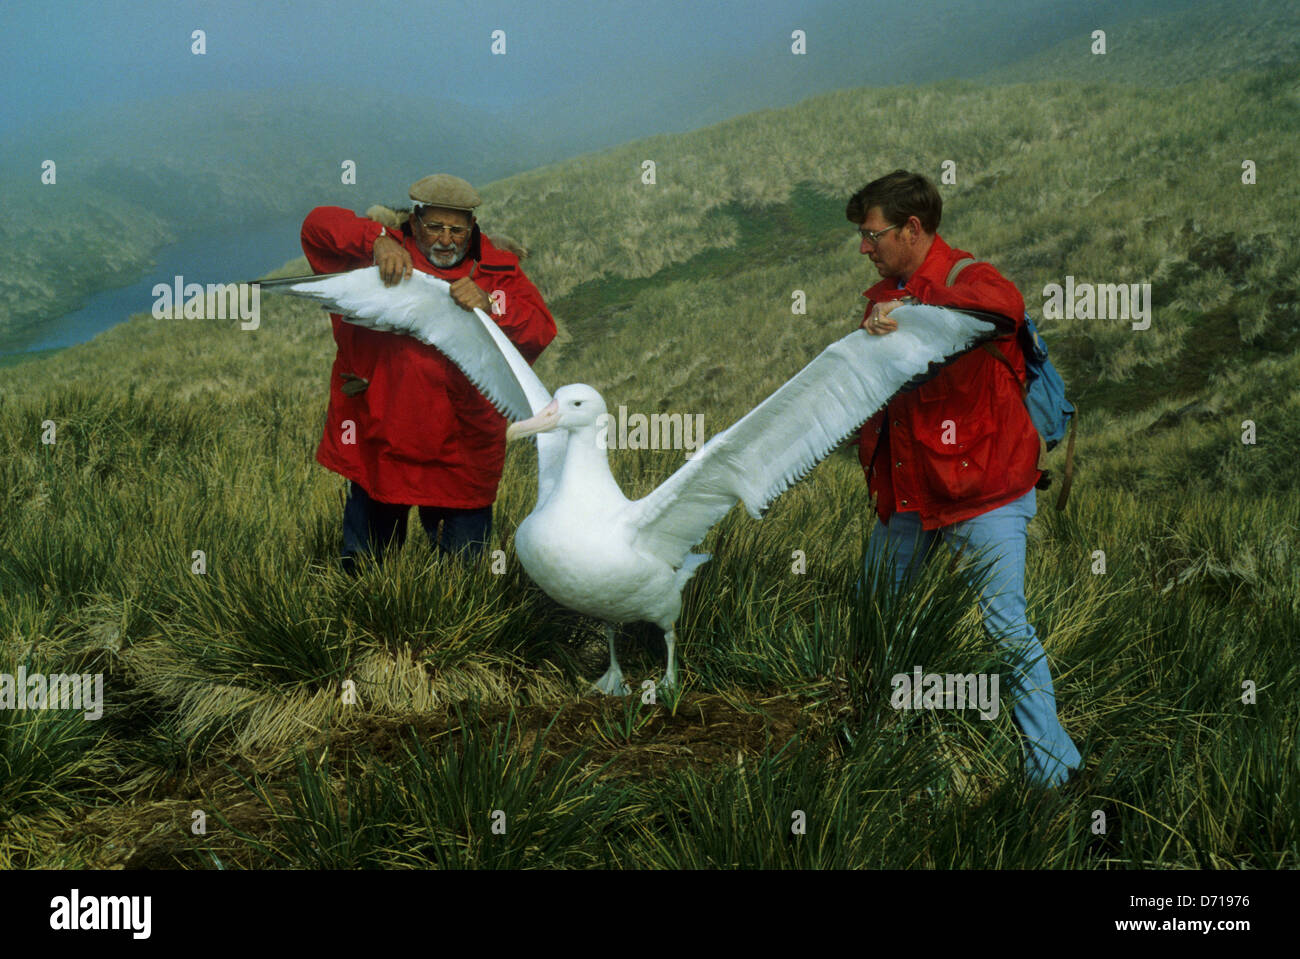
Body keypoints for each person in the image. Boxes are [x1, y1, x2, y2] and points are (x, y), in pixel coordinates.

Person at [849, 169, 1081, 788]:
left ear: (913, 228)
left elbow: (1007, 306)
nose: (864, 247)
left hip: (984, 493)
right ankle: (883, 745)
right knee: (873, 611)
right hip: (910, 493)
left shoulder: (968, 279)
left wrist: (918, 307)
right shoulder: (884, 294)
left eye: (872, 235)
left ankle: (1055, 774)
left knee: (1005, 626)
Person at [300, 173, 557, 572]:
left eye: (457, 229)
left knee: (464, 576)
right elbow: (317, 225)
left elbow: (541, 329)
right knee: (367, 570)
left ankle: (456, 633)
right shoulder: (384, 251)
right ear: (415, 221)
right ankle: (366, 627)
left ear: (472, 227)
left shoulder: (496, 271)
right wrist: (374, 239)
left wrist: (494, 304)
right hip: (380, 435)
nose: (445, 239)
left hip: (462, 449)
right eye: (434, 226)